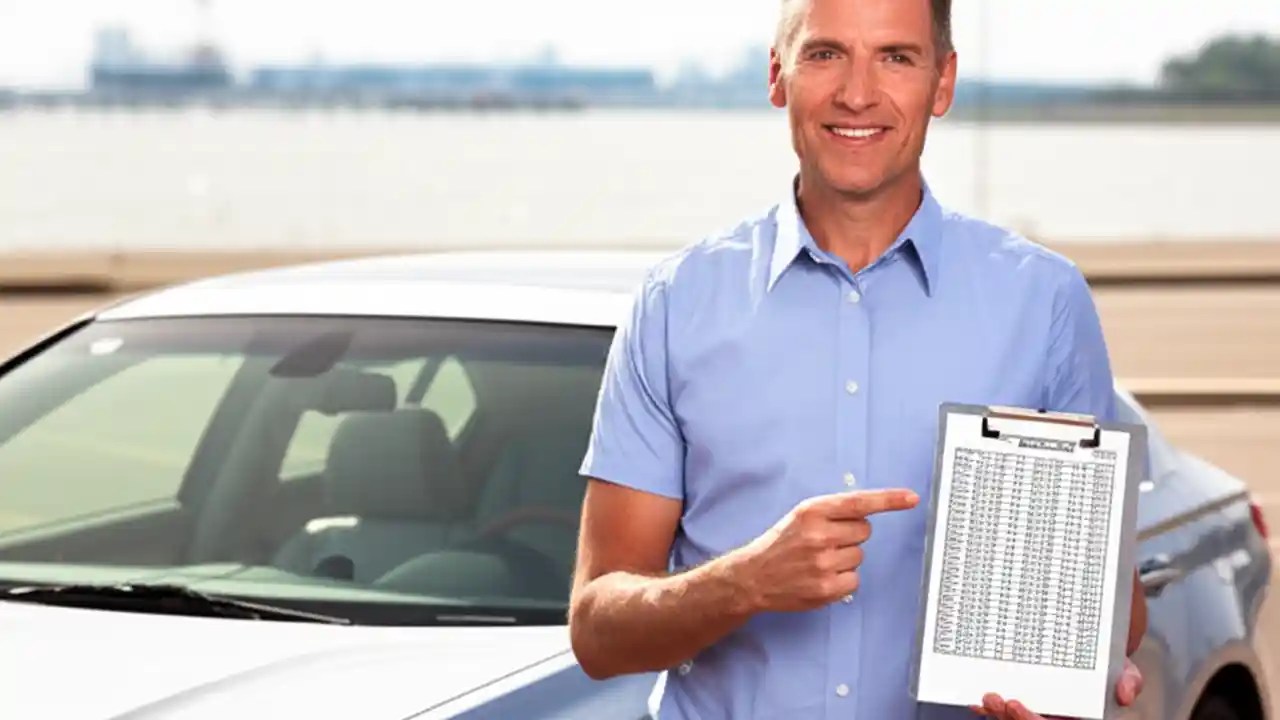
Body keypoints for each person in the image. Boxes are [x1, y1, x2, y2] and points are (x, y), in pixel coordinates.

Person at [569, 0, 1148, 718]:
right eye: (825, 54)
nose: (857, 93)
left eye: (896, 58)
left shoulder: (1044, 303)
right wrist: (744, 581)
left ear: (943, 83)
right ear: (778, 75)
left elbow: (1117, 613)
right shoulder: (675, 304)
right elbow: (597, 632)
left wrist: (1072, 677)